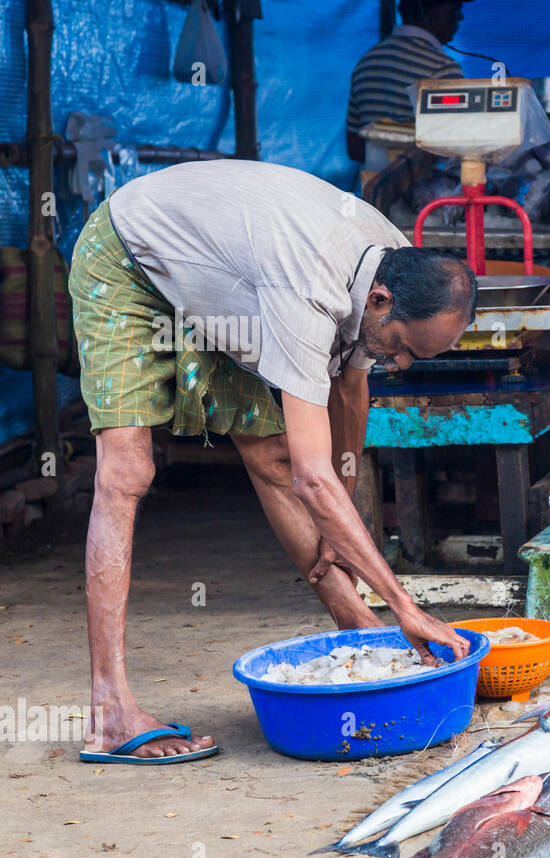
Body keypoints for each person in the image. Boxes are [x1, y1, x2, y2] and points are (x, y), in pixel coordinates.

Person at [66, 160, 476, 764]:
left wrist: (346, 488)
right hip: (130, 257)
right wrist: (405, 605)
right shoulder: (309, 289)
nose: (405, 366)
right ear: (382, 302)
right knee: (127, 473)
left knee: (274, 451)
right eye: (405, 350)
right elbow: (315, 478)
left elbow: (351, 389)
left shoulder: (390, 260)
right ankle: (110, 712)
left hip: (229, 277)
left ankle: (359, 635)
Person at [346, 0, 470, 162]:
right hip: (425, 185)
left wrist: (382, 153)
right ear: (435, 15)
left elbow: (354, 148)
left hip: (372, 183)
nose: (460, 17)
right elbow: (454, 146)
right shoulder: (442, 67)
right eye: (456, 9)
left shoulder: (366, 63)